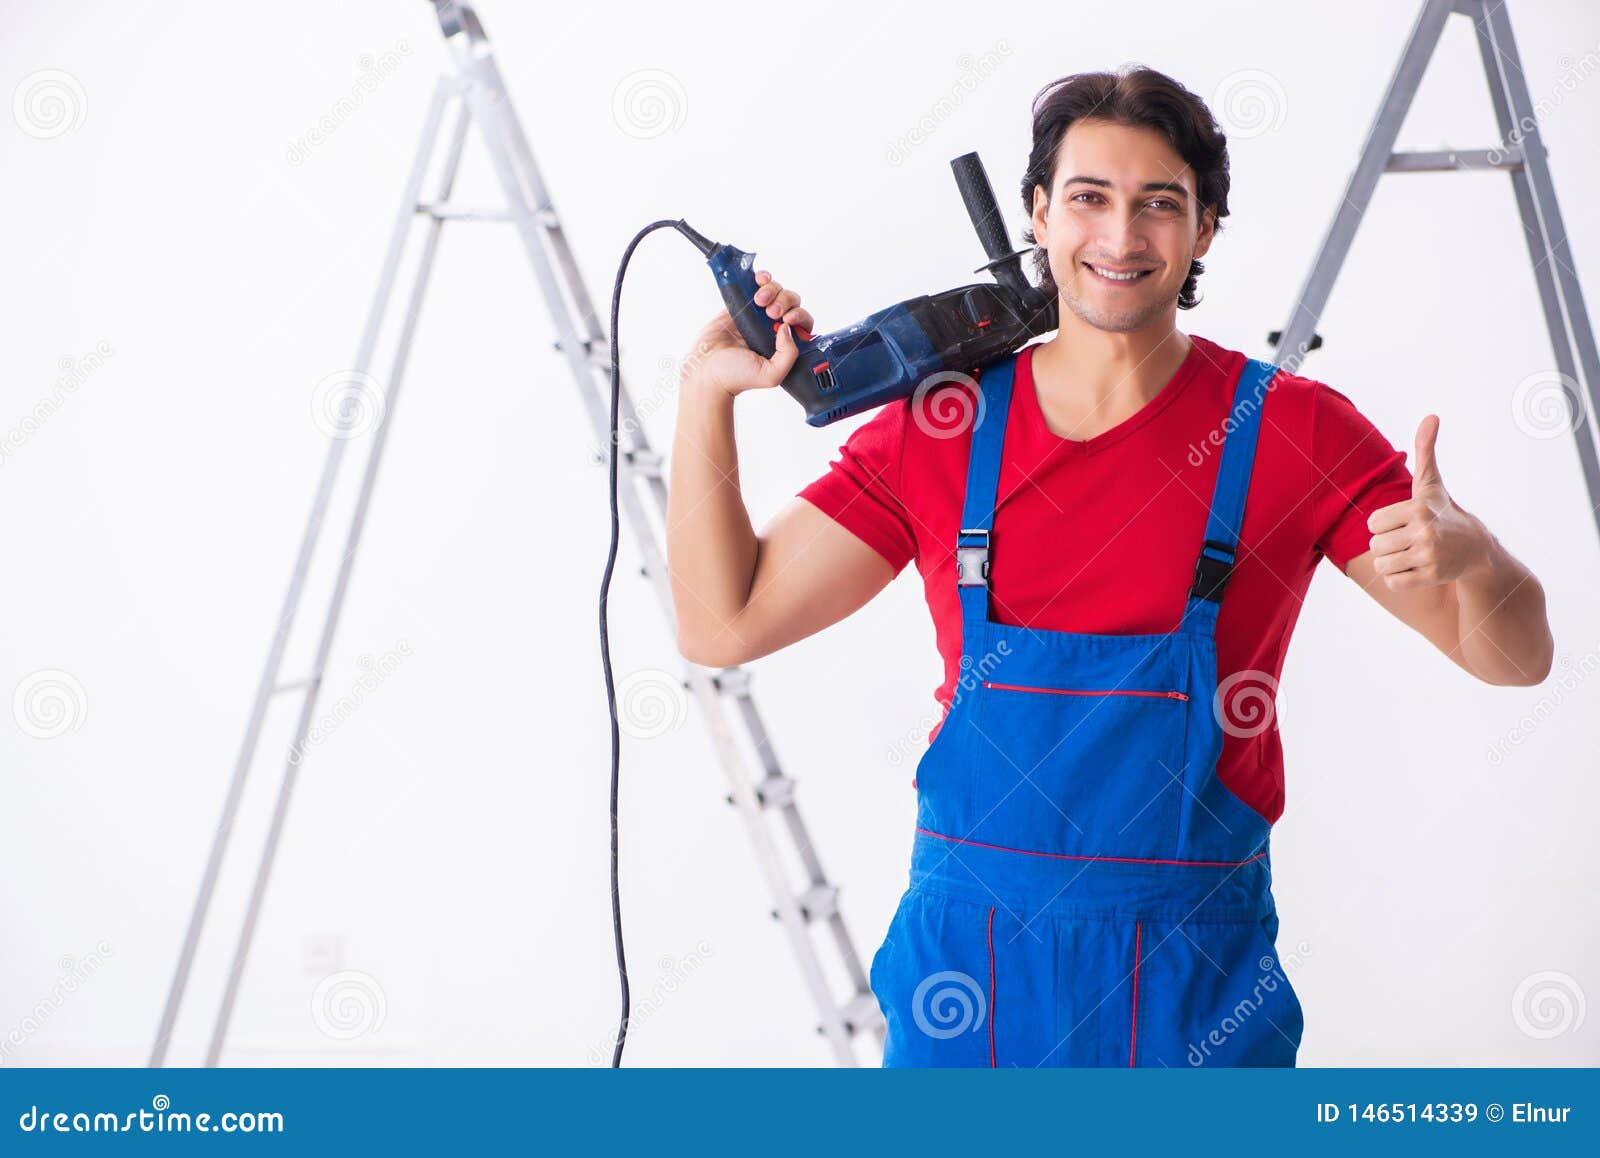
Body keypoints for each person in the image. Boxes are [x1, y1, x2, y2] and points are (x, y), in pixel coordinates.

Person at [665, 65, 1553, 1067]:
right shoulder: (940, 429)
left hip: (1190, 991)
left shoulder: (1291, 432)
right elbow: (719, 621)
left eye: (1159, 205)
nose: (1121, 238)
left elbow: (1514, 662)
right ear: (1037, 215)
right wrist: (706, 396)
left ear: (1205, 227)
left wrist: (1475, 558)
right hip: (969, 980)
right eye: (1088, 198)